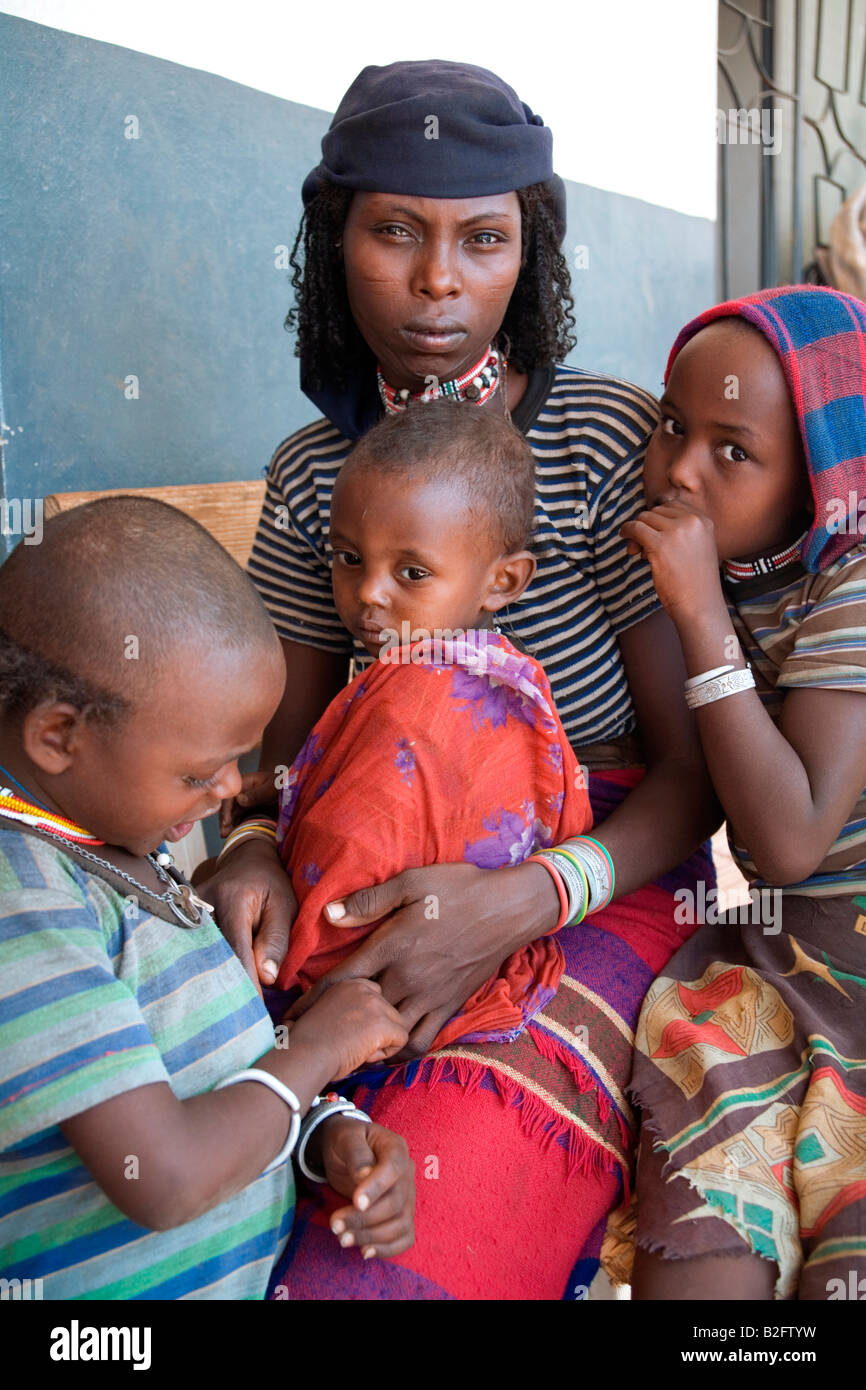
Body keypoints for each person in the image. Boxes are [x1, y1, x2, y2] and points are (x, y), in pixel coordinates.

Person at [199, 60, 720, 1299]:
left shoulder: (601, 436)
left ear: (525, 260)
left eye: (482, 240)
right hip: (362, 870)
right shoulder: (311, 468)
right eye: (394, 233)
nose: (439, 280)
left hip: (605, 870)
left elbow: (693, 770)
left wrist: (521, 900)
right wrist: (255, 847)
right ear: (336, 244)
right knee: (221, 1140)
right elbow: (287, 754)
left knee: (382, 1251)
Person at [0, 497, 415, 1299]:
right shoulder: (26, 899)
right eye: (199, 773)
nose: (230, 789)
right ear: (58, 738)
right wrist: (315, 1052)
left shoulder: (126, 850)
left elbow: (211, 1088)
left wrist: (323, 1135)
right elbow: (164, 1175)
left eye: (240, 759)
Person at [621, 286, 866, 1301]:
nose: (678, 468)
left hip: (842, 939)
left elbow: (788, 839)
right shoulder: (712, 572)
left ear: (813, 479)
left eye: (731, 450)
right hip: (769, 948)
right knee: (704, 1230)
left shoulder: (849, 580)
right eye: (671, 427)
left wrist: (696, 617)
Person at [262, 402, 592, 1051]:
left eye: (411, 572)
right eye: (348, 558)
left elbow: (349, 864)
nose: (369, 594)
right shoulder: (501, 680)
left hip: (384, 984)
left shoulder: (420, 700)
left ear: (504, 580)